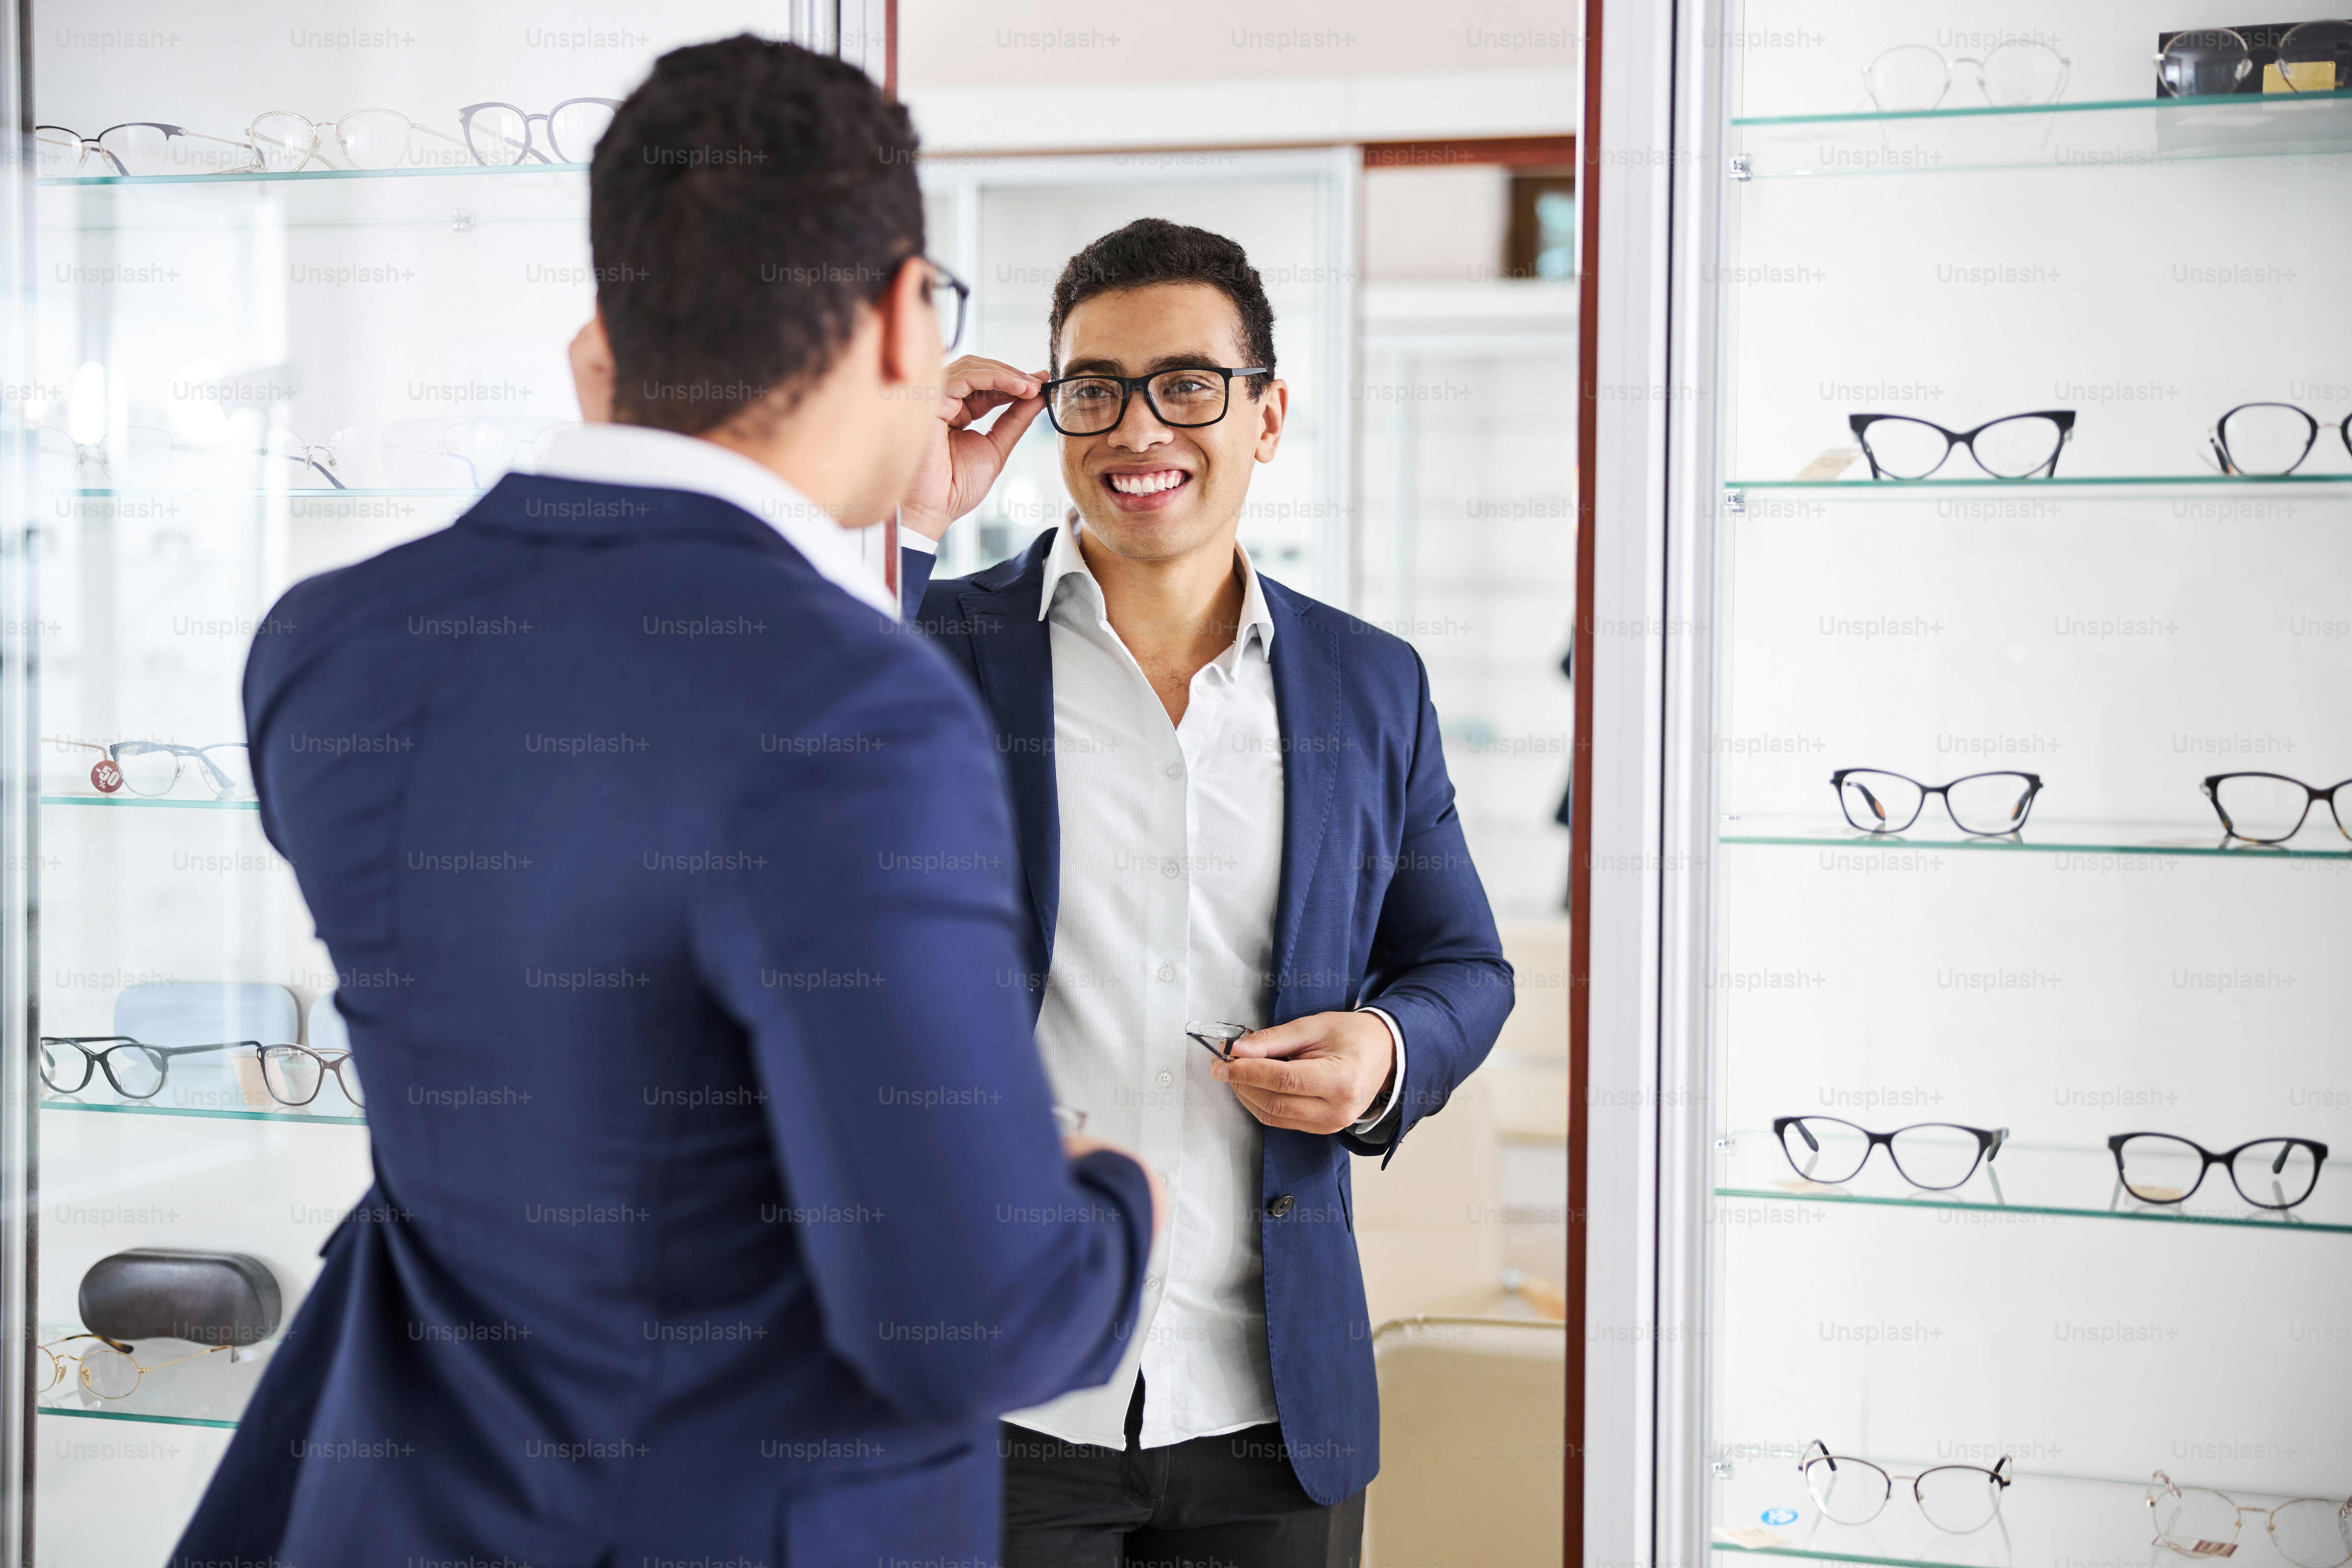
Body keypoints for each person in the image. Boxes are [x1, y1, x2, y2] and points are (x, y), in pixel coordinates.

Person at [174, 37, 1161, 1567]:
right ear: (908, 315)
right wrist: (1113, 1198)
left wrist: (865, 548)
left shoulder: (337, 643)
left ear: (609, 331)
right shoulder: (851, 707)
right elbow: (964, 1316)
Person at [896, 218, 1515, 1565]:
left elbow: (1466, 966)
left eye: (1187, 384)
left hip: (1268, 1407)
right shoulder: (932, 648)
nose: (1139, 428)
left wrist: (1387, 1050)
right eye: (1094, 389)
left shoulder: (1369, 684)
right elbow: (772, 793)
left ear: (1267, 414)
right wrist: (908, 524)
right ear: (1053, 412)